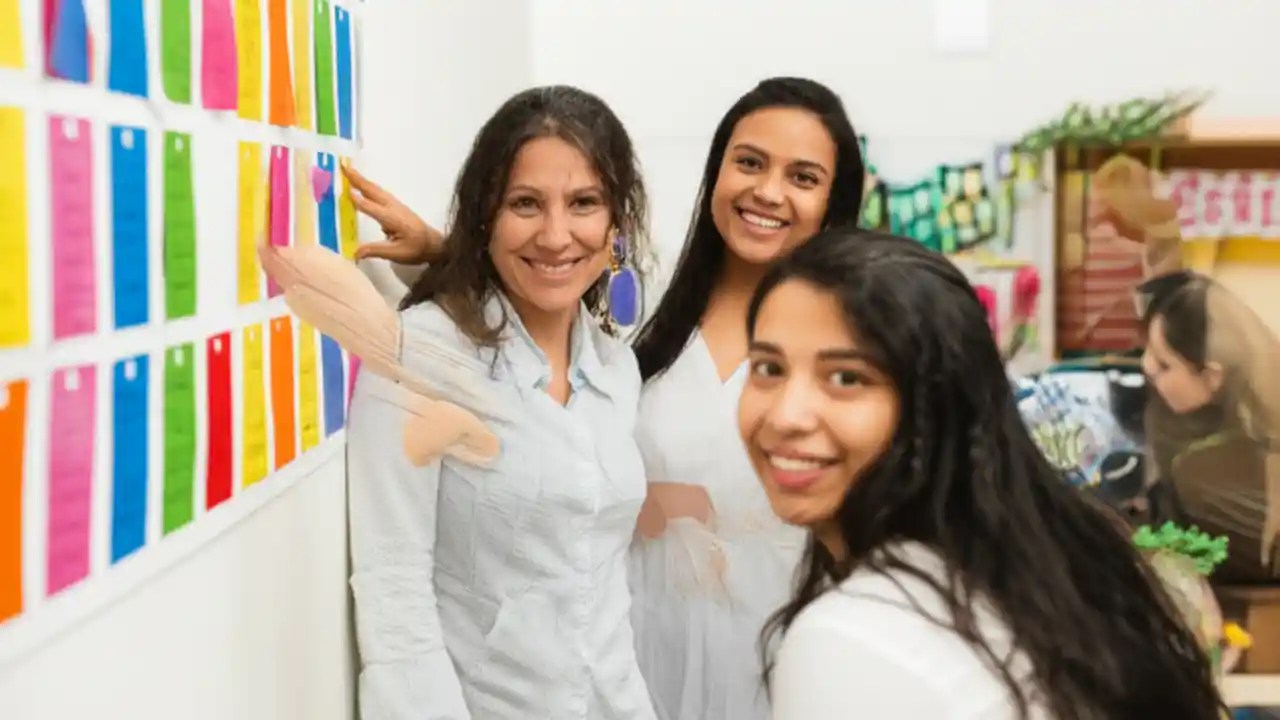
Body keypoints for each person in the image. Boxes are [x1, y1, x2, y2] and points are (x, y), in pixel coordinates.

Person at [344, 76, 865, 720]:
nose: (767, 191)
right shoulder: (649, 324)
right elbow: (543, 283)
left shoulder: (854, 346)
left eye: (804, 177)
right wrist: (451, 256)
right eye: (750, 162)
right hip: (645, 650)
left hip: (772, 651)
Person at [737, 228, 1227, 719]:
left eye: (846, 378)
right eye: (768, 368)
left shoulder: (851, 638)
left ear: (937, 404)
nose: (785, 416)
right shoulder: (1044, 570)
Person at [345, 85, 658, 719]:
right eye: (525, 203)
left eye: (584, 204)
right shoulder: (422, 360)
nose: (555, 234)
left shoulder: (616, 367)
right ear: (485, 214)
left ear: (615, 224)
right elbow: (394, 594)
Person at [1140, 271, 1280, 583]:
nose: (1146, 367)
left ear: (1212, 377)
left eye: (1164, 364)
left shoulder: (1201, 470)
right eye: (1147, 350)